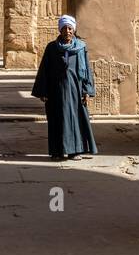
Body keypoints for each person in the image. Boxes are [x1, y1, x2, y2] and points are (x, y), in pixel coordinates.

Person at [31, 14, 98, 161]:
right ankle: (57, 152)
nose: (67, 31)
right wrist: (43, 91)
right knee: (57, 120)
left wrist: (87, 90)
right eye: (64, 28)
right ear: (60, 30)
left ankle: (75, 151)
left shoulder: (81, 47)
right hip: (56, 92)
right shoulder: (52, 48)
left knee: (76, 120)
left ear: (73, 30)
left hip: (76, 91)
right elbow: (44, 70)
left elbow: (86, 70)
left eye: (70, 28)